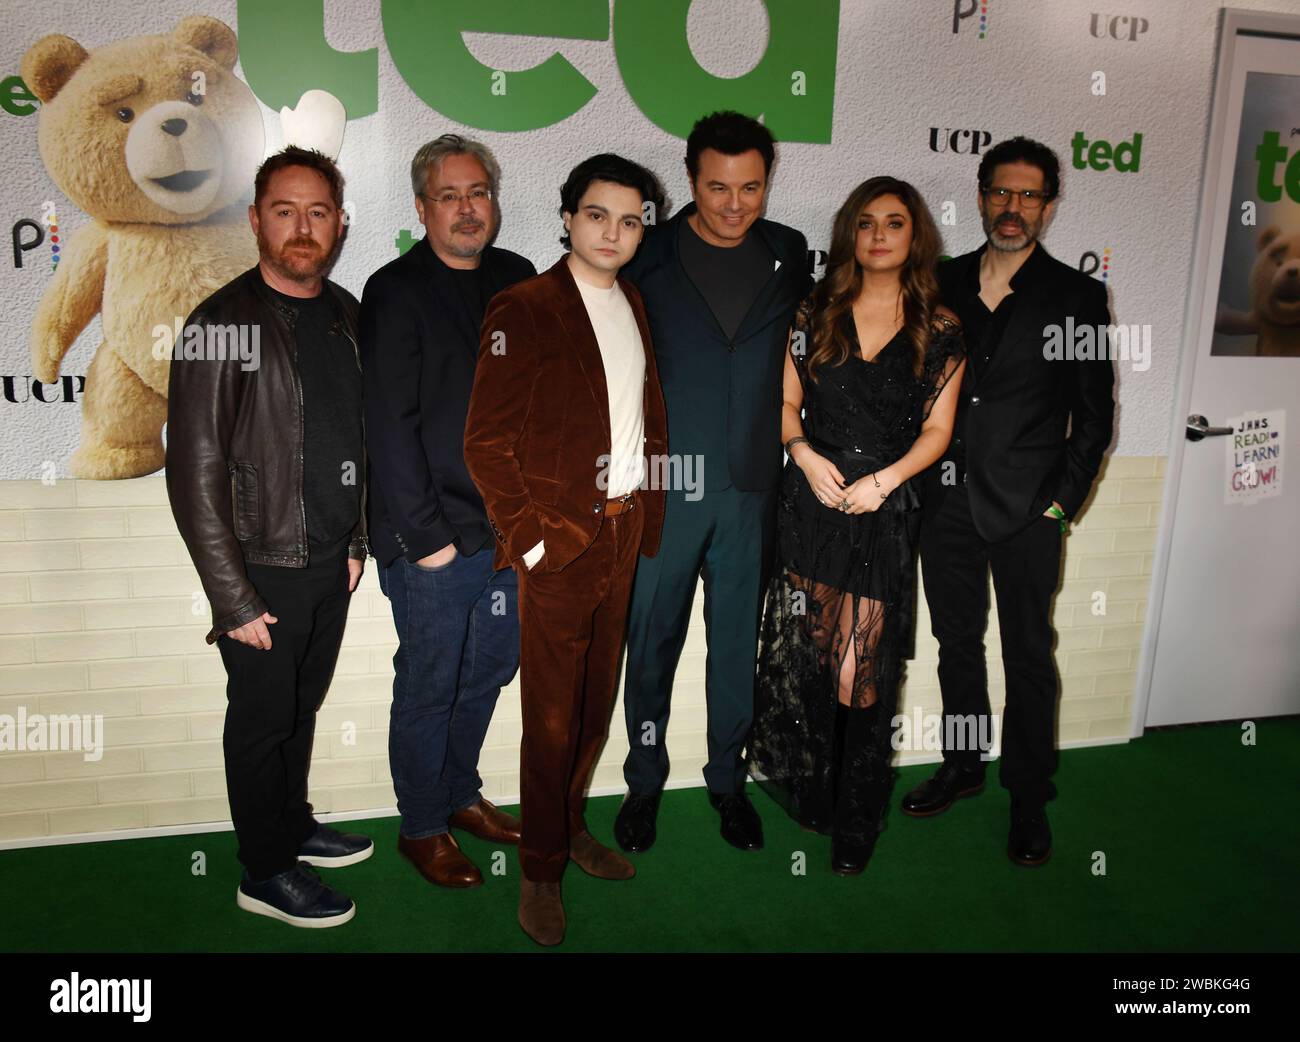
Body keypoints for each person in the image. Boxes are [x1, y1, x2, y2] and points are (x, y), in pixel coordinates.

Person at [464, 154, 668, 947]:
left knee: (591, 707)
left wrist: (642, 512)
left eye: (629, 219)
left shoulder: (634, 302)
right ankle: (541, 869)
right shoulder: (526, 306)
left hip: (622, 535)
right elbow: (485, 444)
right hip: (564, 544)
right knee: (548, 719)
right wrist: (537, 545)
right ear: (566, 219)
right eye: (596, 215)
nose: (613, 231)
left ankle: (572, 826)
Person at [165, 146, 372, 927]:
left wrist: (355, 542)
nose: (302, 226)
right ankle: (263, 871)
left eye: (318, 212)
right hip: (259, 570)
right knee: (260, 724)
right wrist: (232, 596)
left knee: (300, 709)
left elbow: (358, 439)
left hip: (328, 563)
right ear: (255, 219)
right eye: (284, 210)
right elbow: (192, 471)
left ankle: (290, 826)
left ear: (340, 223)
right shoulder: (220, 324)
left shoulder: (350, 315)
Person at [905, 137, 1115, 866]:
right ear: (983, 194)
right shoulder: (943, 281)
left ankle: (1029, 797)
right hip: (946, 505)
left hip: (1030, 509)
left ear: (1049, 206)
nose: (1013, 208)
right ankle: (964, 767)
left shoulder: (1074, 296)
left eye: (1029, 196)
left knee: (1028, 655)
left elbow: (1094, 414)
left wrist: (1062, 503)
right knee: (955, 644)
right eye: (1002, 192)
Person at [748, 178, 966, 873]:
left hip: (881, 507)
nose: (878, 234)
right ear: (849, 234)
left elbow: (938, 431)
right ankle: (818, 790)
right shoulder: (814, 312)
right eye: (865, 222)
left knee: (856, 670)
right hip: (812, 500)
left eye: (893, 222)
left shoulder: (940, 326)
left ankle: (856, 810)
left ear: (914, 236)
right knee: (812, 655)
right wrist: (804, 454)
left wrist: (886, 481)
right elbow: (784, 404)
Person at [614, 111, 812, 855]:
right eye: (718, 187)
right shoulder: (646, 250)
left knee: (734, 649)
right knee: (652, 642)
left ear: (768, 181)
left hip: (751, 488)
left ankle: (727, 783)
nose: (735, 204)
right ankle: (641, 783)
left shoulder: (789, 252)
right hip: (663, 487)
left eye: (752, 187)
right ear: (690, 179)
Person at [359, 135, 535, 889]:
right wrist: (424, 539)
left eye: (479, 193)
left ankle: (460, 794)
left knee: (491, 668)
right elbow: (388, 424)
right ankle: (422, 825)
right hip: (435, 537)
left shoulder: (519, 278)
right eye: (450, 196)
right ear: (423, 207)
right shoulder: (394, 288)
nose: (467, 209)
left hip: (506, 534)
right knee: (430, 681)